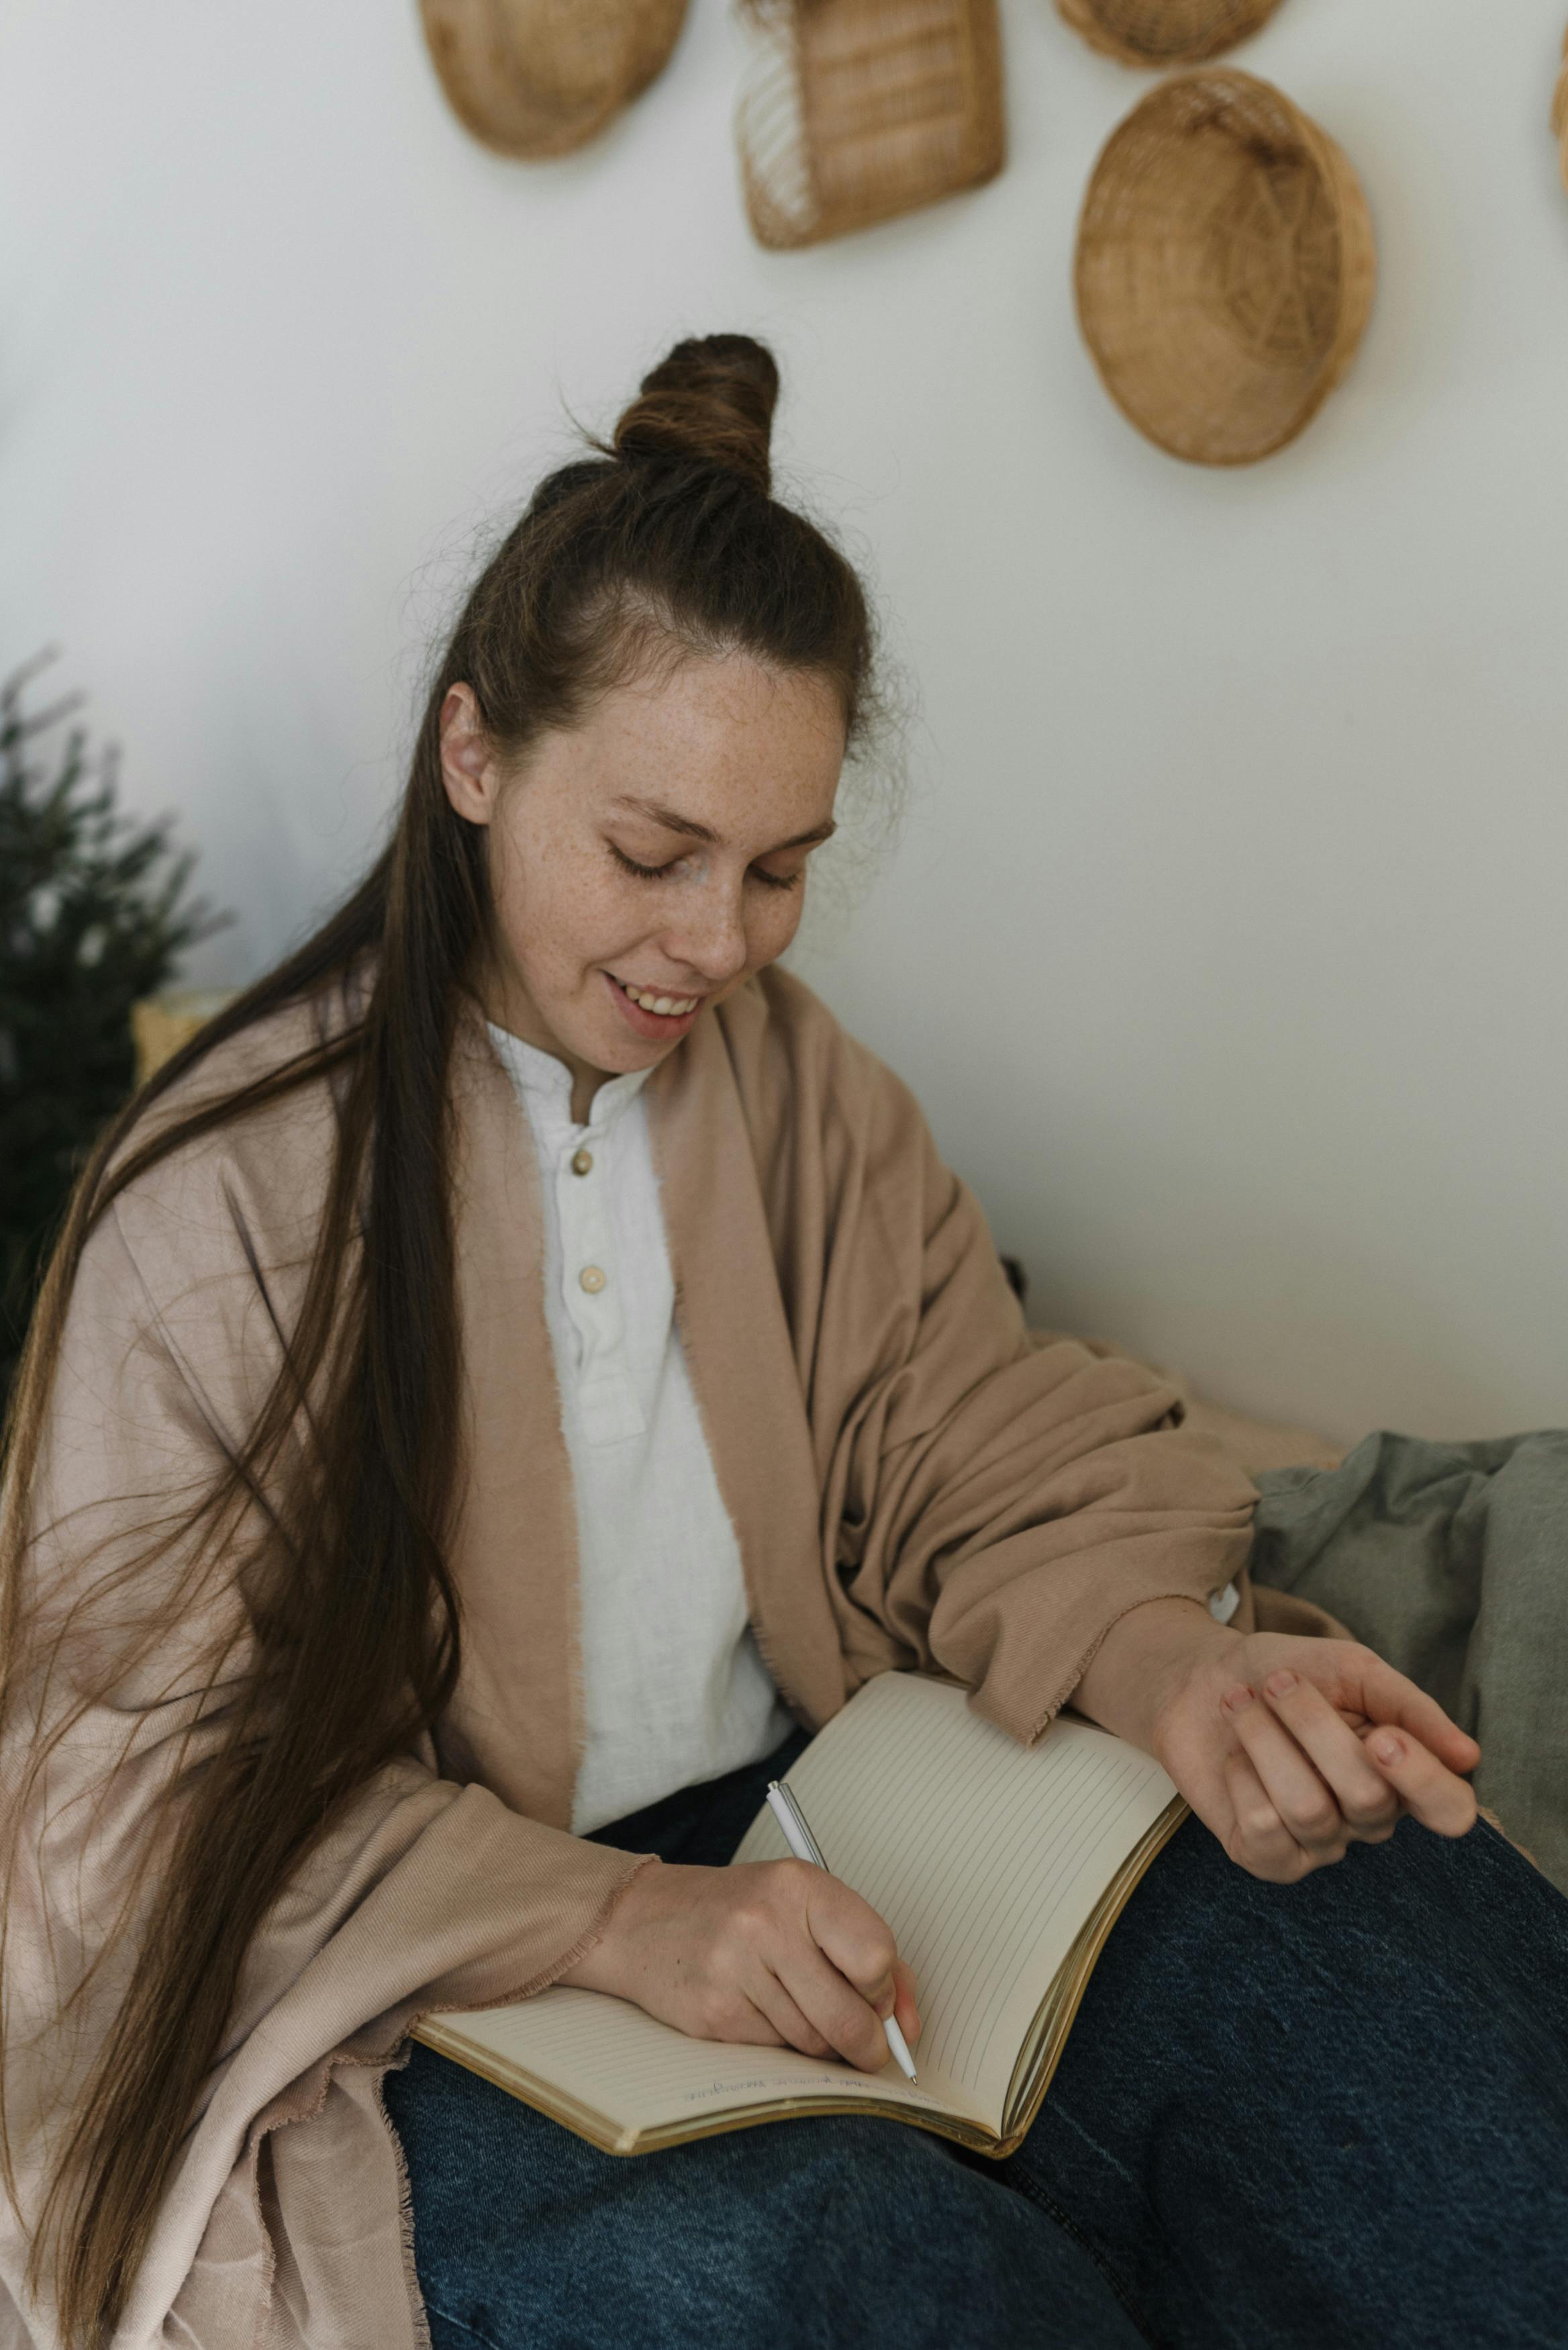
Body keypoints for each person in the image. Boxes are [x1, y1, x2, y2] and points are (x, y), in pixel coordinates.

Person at [1, 334, 1564, 2350]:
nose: (714, 945)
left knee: (1382, 1974)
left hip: (834, 1829)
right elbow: (138, 1789)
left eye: (779, 871)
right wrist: (623, 1916)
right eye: (652, 856)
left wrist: (1164, 1651)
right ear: (472, 757)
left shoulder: (801, 1093)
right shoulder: (212, 1203)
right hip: (428, 1983)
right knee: (851, 2271)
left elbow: (967, 1437)